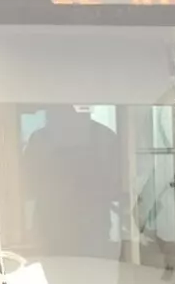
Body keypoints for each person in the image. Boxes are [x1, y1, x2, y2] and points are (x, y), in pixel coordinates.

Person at [21, 104, 125, 258]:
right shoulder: (105, 137)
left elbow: (119, 187)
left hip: (85, 232)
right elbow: (25, 186)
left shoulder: (104, 139)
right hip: (56, 233)